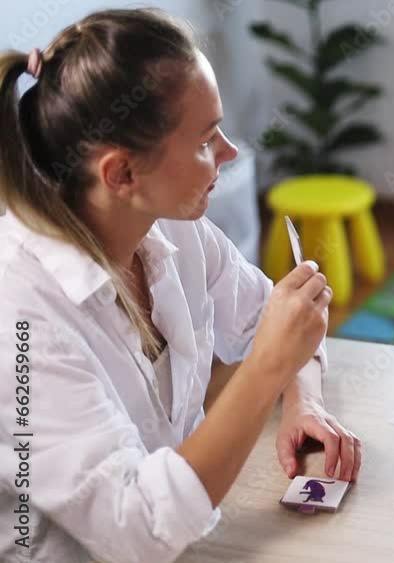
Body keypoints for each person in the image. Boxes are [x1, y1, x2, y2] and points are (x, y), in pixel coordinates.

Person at [0, 9, 360, 562]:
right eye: (204, 139)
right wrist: (267, 368)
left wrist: (303, 401)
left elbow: (277, 317)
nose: (230, 153)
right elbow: (136, 532)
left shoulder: (166, 226)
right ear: (121, 174)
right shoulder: (19, 316)